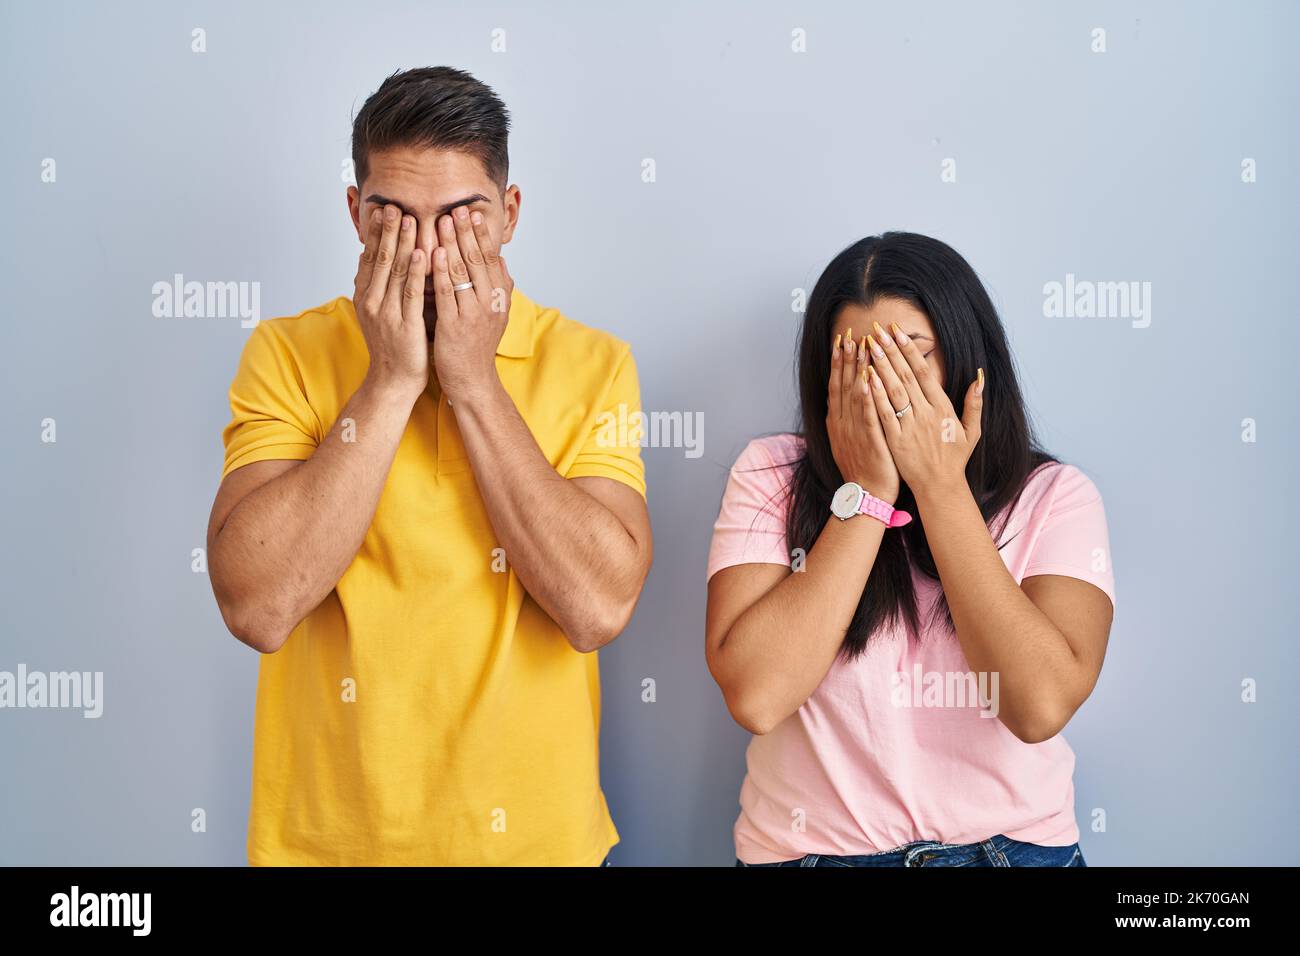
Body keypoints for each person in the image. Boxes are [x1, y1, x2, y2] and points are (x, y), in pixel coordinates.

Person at [205, 67, 652, 866]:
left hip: (539, 848)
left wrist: (475, 382)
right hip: (326, 848)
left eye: (460, 217)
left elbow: (596, 608)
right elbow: (256, 606)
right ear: (354, 213)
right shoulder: (286, 353)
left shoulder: (592, 364)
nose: (424, 248)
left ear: (508, 215)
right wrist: (390, 380)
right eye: (393, 217)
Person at [705, 232, 1114, 867]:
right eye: (858, 362)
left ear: (969, 363)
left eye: (909, 357)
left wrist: (940, 486)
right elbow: (757, 696)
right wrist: (866, 494)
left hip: (1008, 853)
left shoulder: (1055, 497)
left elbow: (1038, 707)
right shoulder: (771, 476)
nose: (884, 389)